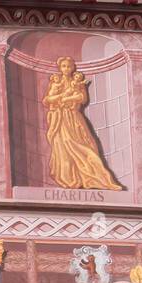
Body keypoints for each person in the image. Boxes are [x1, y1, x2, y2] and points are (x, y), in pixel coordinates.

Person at [43, 56, 121, 191]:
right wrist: (62, 97)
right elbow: (47, 99)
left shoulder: (77, 82)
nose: (66, 69)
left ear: (73, 68)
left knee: (86, 145)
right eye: (64, 66)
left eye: (69, 66)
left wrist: (69, 97)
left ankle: (98, 177)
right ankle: (68, 178)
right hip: (59, 119)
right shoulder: (56, 82)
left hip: (73, 117)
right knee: (63, 146)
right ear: (60, 68)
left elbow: (83, 98)